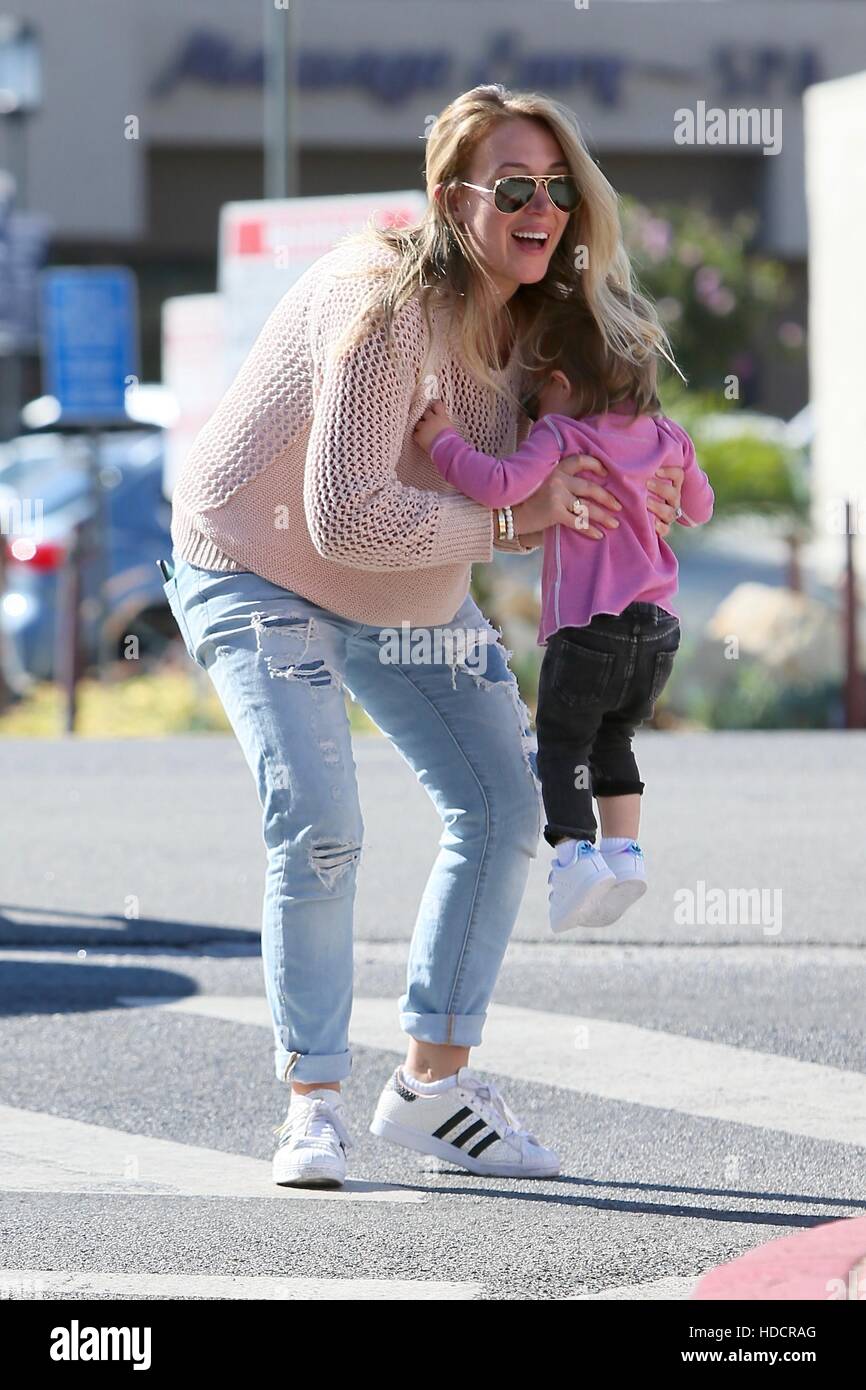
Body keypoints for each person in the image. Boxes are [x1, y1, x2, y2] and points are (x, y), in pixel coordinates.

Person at [161, 83, 684, 1189]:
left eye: (554, 188)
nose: (539, 208)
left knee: (503, 808)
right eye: (511, 188)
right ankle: (311, 1104)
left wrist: (643, 492)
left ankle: (433, 1089)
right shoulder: (380, 299)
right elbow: (345, 511)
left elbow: (596, 459)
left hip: (405, 592)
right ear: (453, 200)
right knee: (321, 824)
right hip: (258, 569)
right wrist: (508, 520)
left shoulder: (551, 319)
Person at [415, 317, 714, 932]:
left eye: (533, 396)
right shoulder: (669, 436)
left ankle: (576, 853)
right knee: (614, 739)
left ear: (558, 382)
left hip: (590, 630)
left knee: (561, 738)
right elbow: (700, 508)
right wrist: (672, 483)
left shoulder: (562, 435)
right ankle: (624, 853)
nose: (530, 411)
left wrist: (442, 439)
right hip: (658, 633)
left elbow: (498, 486)